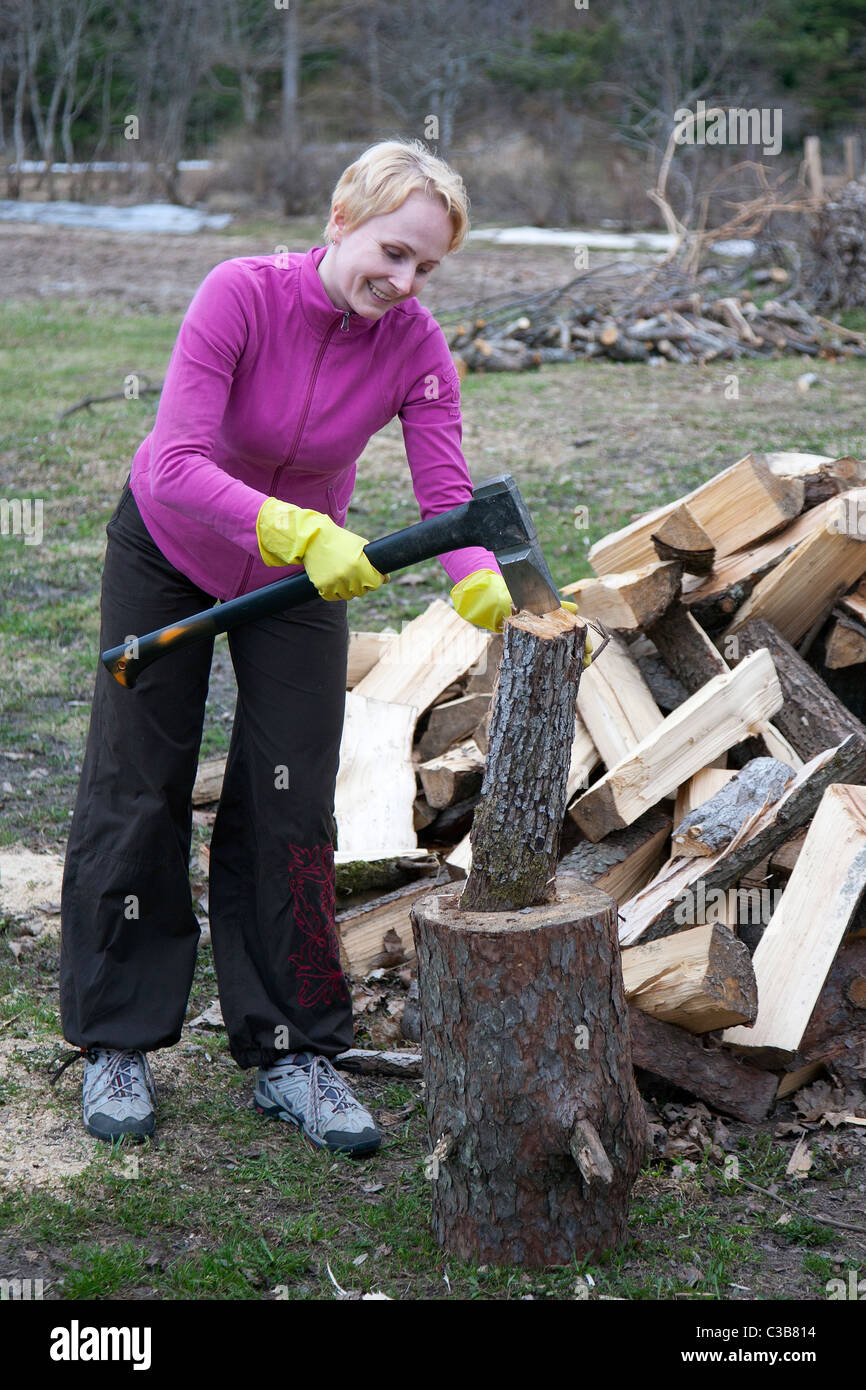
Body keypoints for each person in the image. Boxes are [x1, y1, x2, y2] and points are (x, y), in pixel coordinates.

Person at [53, 138, 576, 1157]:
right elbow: (172, 464)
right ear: (339, 218)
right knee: (138, 778)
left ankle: (292, 1049)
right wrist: (292, 525)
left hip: (299, 579)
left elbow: (446, 491)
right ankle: (117, 1037)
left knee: (288, 798)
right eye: (392, 251)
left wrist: (477, 578)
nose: (404, 281)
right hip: (170, 544)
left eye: (426, 267)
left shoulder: (416, 346)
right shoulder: (238, 294)